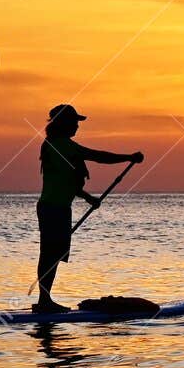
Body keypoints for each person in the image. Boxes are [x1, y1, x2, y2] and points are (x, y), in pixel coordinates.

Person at [35, 104, 144, 313]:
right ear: (64, 123)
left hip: (57, 208)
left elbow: (64, 181)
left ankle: (45, 300)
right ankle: (44, 302)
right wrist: (128, 157)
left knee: (53, 254)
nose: (77, 125)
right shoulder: (62, 146)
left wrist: (87, 198)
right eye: (74, 121)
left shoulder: (57, 145)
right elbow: (98, 156)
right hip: (53, 209)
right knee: (50, 254)